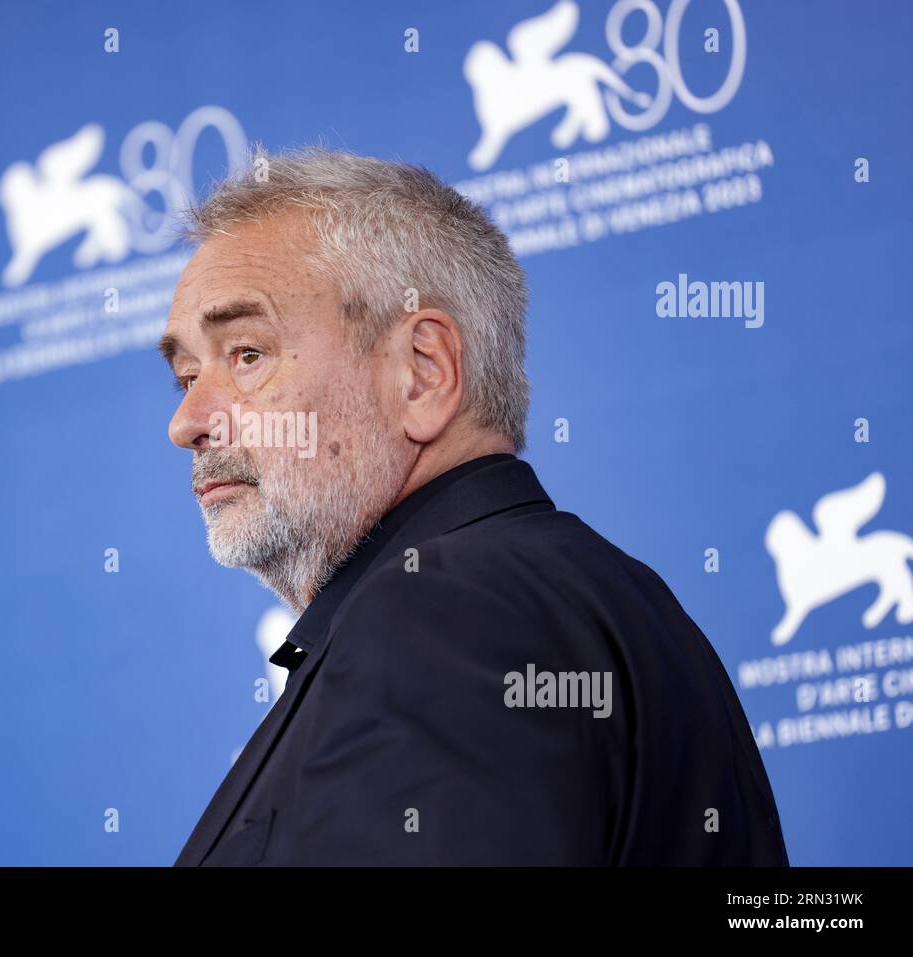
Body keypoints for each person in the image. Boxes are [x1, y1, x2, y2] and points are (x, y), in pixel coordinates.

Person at [159, 146, 789, 866]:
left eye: (245, 354)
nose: (188, 421)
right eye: (184, 375)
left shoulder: (444, 613)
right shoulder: (580, 600)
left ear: (423, 373)